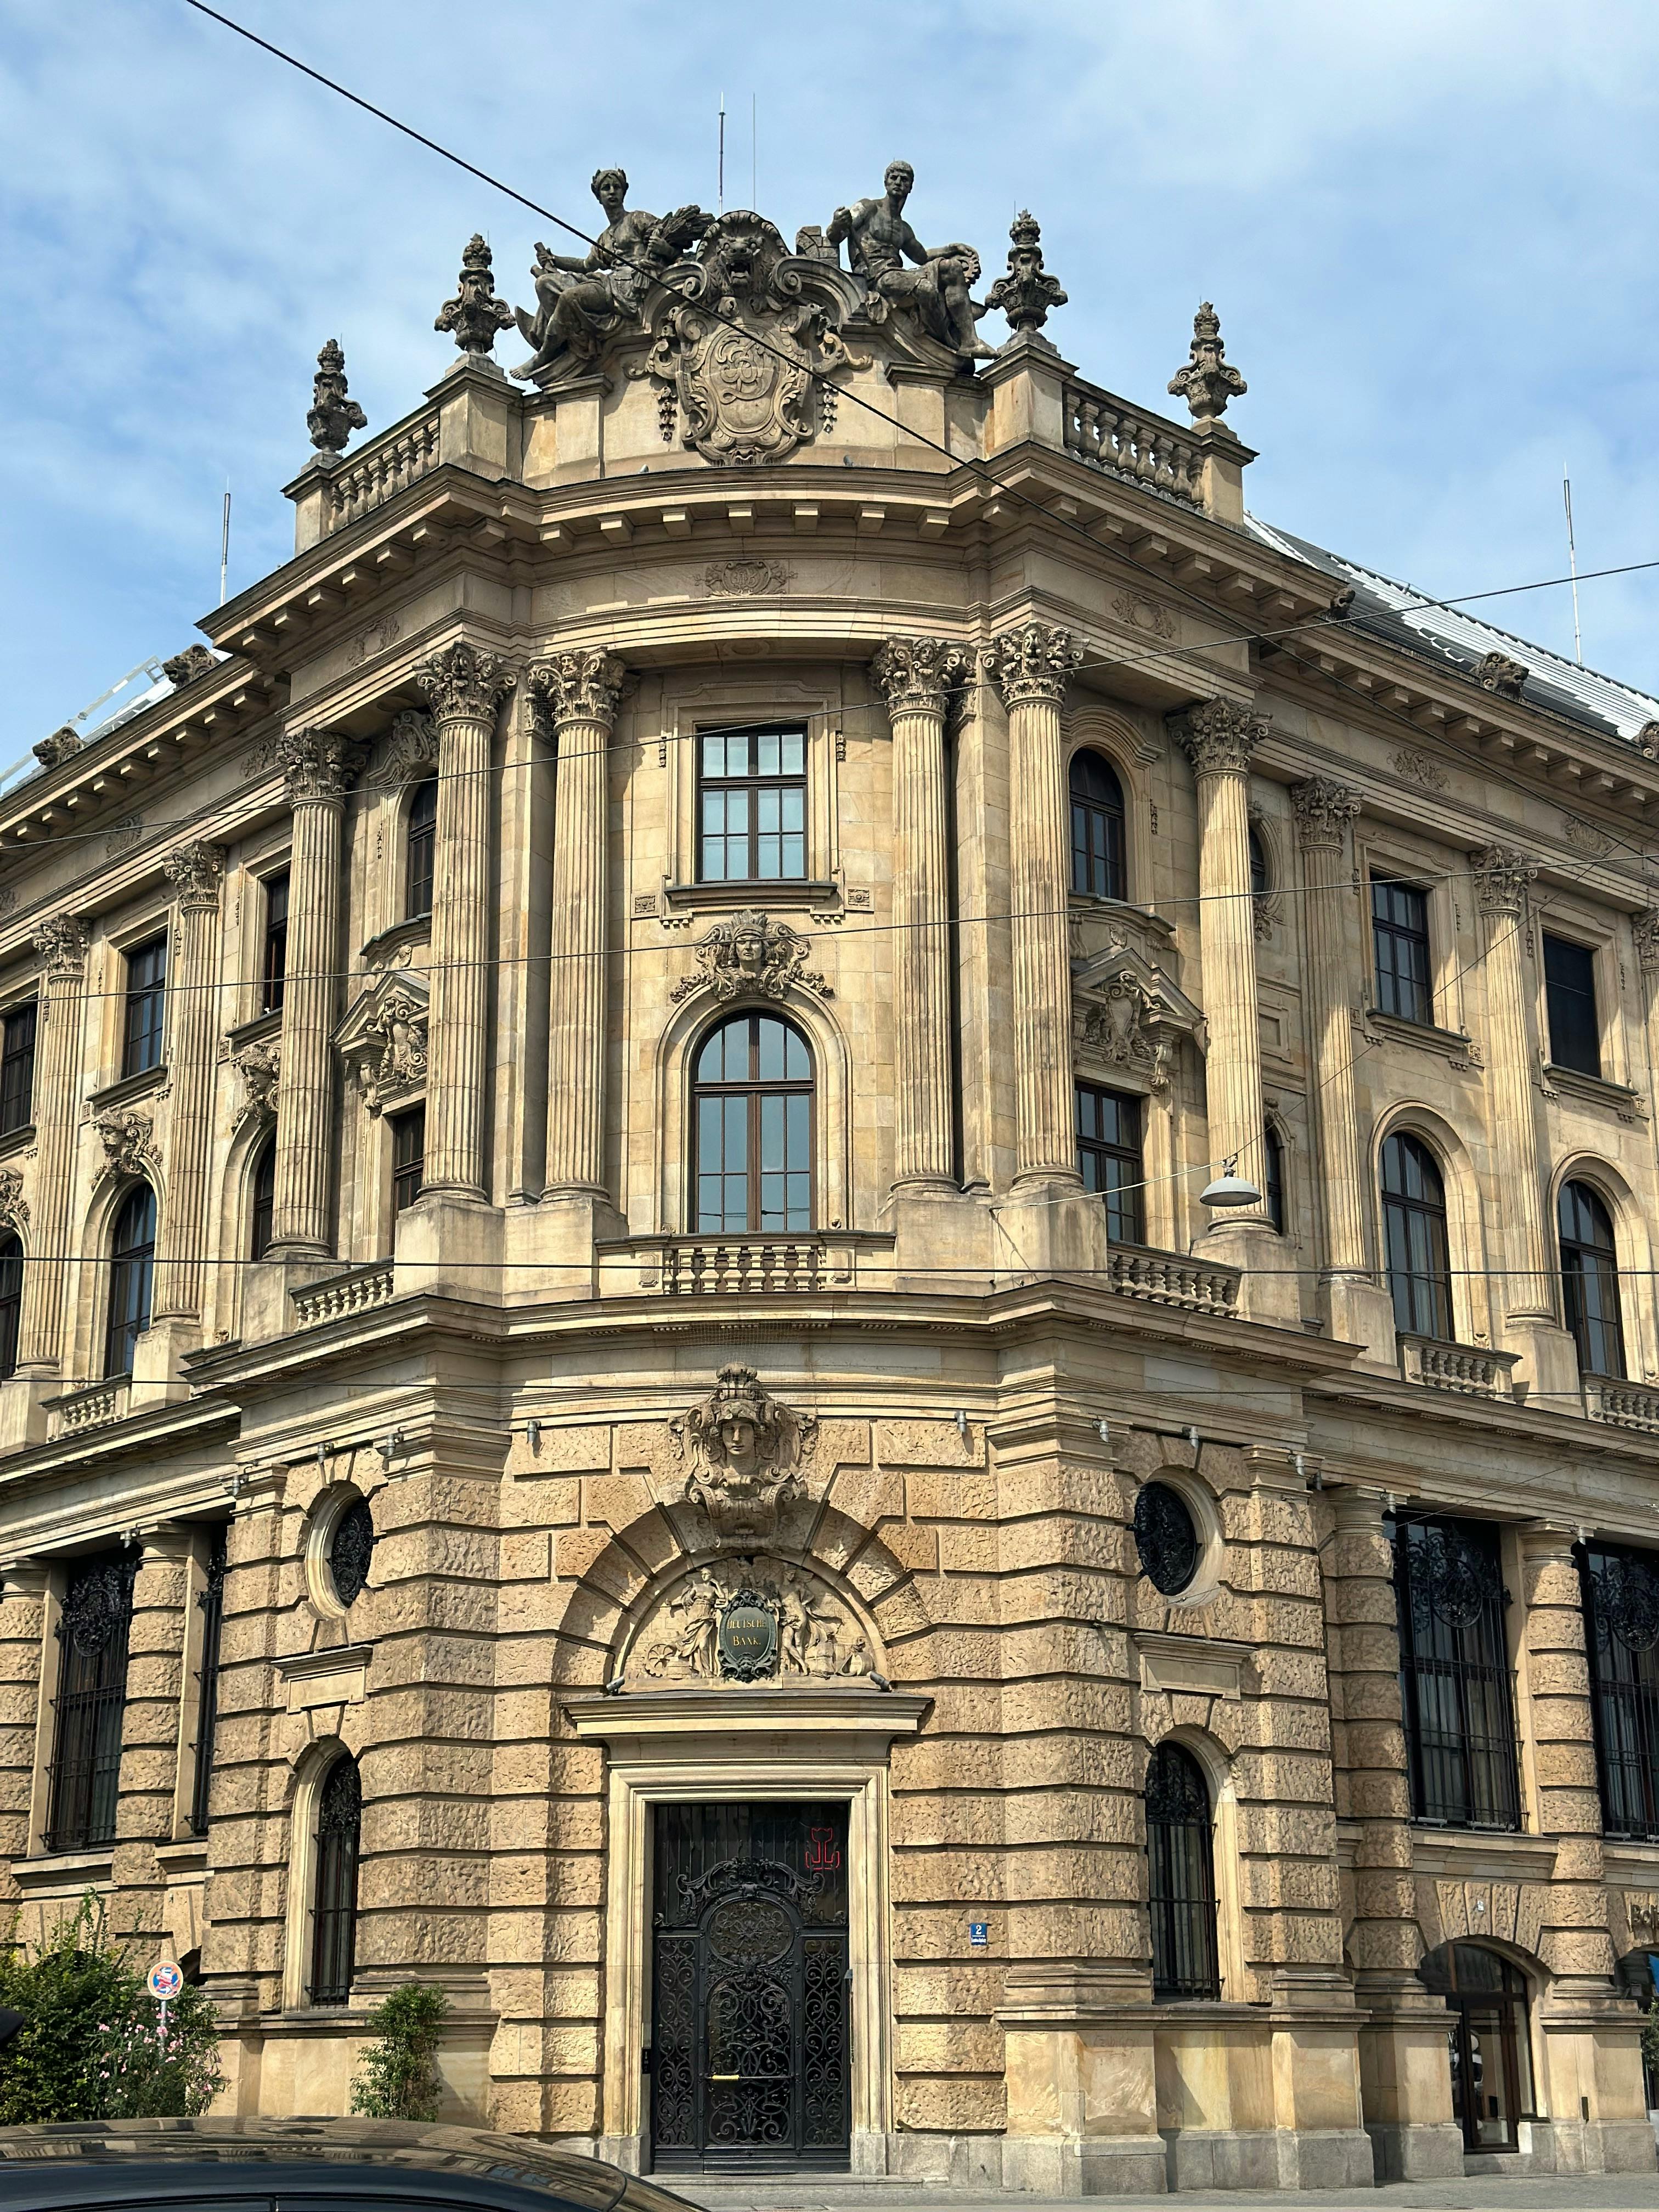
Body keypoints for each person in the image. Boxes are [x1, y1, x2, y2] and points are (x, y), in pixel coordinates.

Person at [515, 168, 711, 375]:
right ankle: (569, 339)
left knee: (569, 298)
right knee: (544, 283)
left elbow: (671, 249)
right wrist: (555, 260)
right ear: (598, 196)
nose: (611, 192)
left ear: (624, 192)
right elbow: (585, 265)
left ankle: (545, 354)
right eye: (606, 188)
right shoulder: (605, 237)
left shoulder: (638, 219)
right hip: (609, 284)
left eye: (616, 187)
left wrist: (664, 249)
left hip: (631, 287)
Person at [827, 161, 992, 360]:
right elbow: (836, 234)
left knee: (952, 268)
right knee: (925, 289)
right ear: (886, 182)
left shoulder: (903, 228)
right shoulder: (868, 207)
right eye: (894, 177)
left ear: (910, 187)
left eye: (904, 180)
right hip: (875, 276)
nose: (898, 182)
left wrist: (952, 249)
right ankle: (945, 339)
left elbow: (921, 256)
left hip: (896, 274)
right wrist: (837, 223)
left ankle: (970, 342)